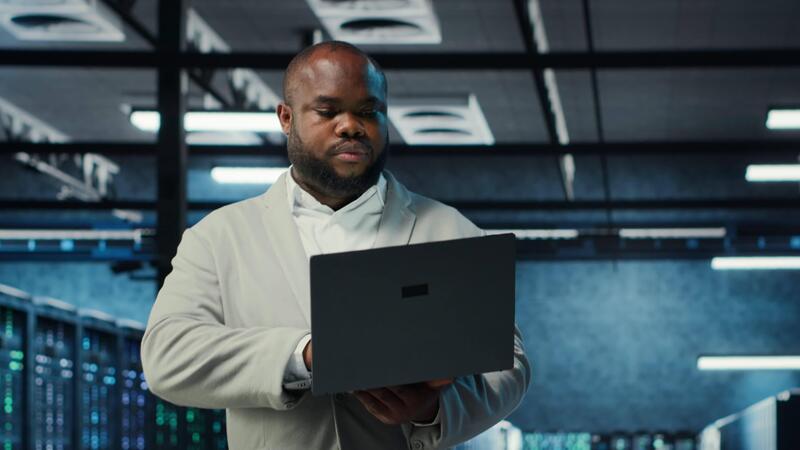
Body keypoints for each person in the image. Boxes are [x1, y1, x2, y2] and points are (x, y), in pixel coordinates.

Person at [141, 41, 531, 450]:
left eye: (368, 111)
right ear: (286, 118)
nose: (350, 126)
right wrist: (305, 355)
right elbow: (167, 355)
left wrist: (428, 410)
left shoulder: (449, 229)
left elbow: (509, 363)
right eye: (327, 112)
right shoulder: (220, 235)